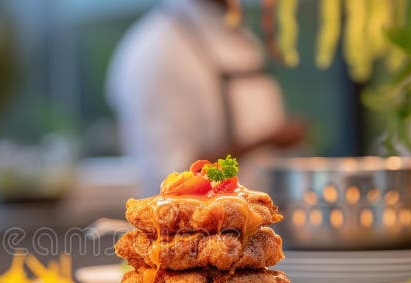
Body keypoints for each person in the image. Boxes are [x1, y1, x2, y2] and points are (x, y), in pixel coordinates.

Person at [106, 0, 304, 194]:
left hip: (258, 215)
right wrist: (263, 143)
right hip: (192, 224)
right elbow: (174, 182)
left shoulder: (237, 32)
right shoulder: (156, 52)